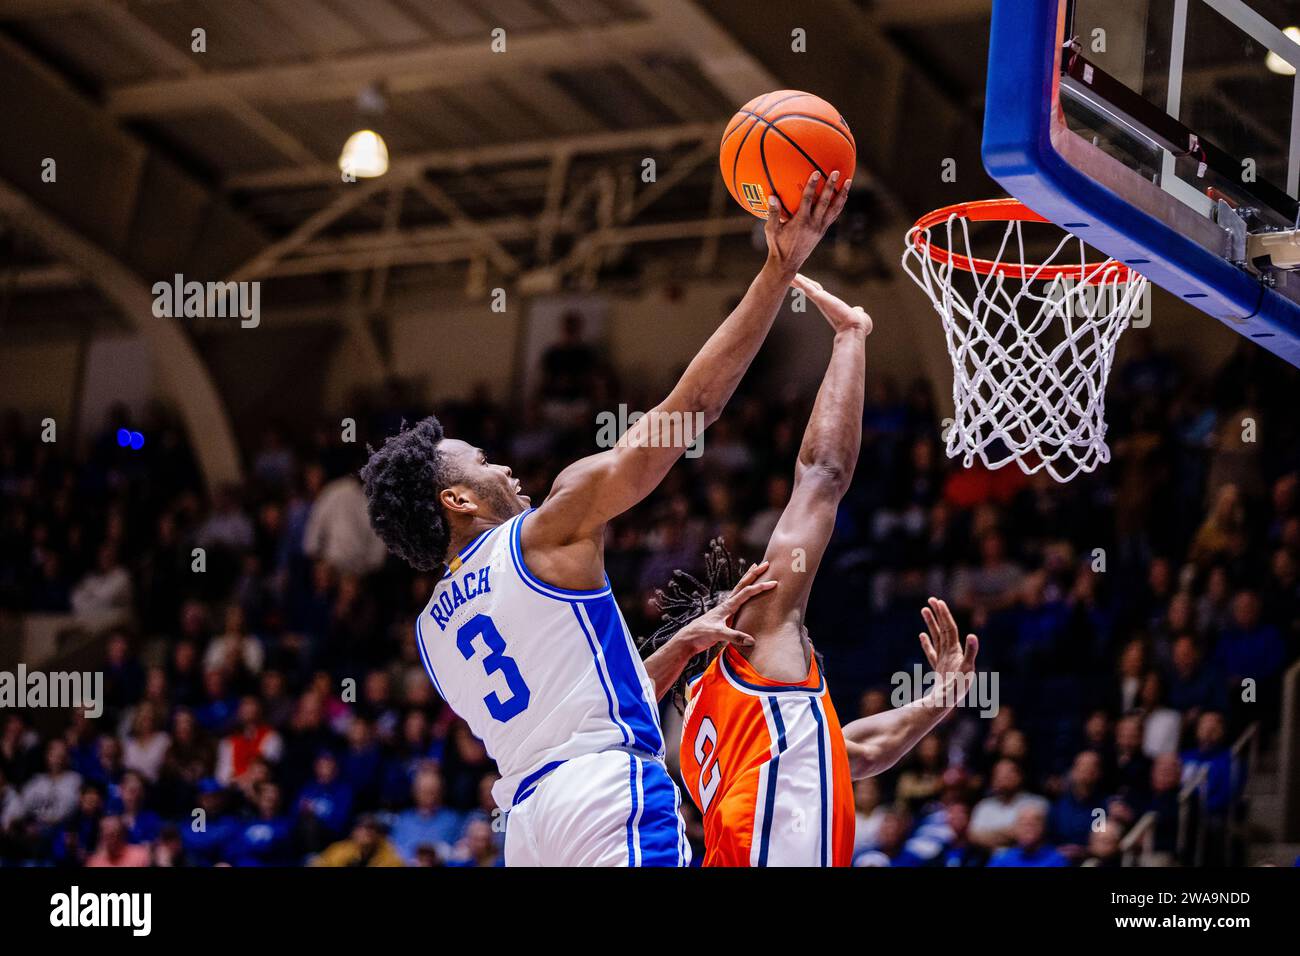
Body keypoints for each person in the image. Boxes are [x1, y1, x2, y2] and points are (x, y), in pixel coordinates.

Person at [360, 173, 850, 866]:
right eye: (482, 463)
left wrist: (678, 649)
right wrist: (778, 269)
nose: (504, 469)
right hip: (605, 794)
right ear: (458, 501)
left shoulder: (431, 636)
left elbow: (569, 716)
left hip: (530, 827)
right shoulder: (545, 531)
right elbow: (692, 411)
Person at [641, 278, 978, 866]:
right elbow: (821, 474)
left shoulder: (706, 729)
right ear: (732, 617)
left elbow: (850, 754)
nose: (766, 584)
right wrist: (851, 337)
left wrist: (936, 704)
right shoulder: (757, 640)